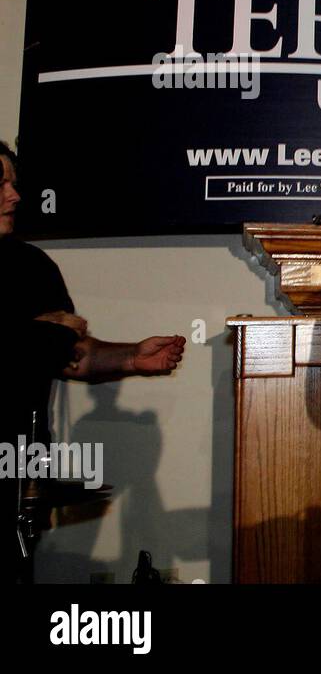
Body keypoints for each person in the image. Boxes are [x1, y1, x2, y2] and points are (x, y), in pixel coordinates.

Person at [1, 140, 185, 582]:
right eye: (0, 184)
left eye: (14, 183)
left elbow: (69, 355)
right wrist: (43, 331)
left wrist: (129, 358)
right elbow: (46, 339)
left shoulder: (32, 266)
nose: (14, 196)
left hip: (19, 479)